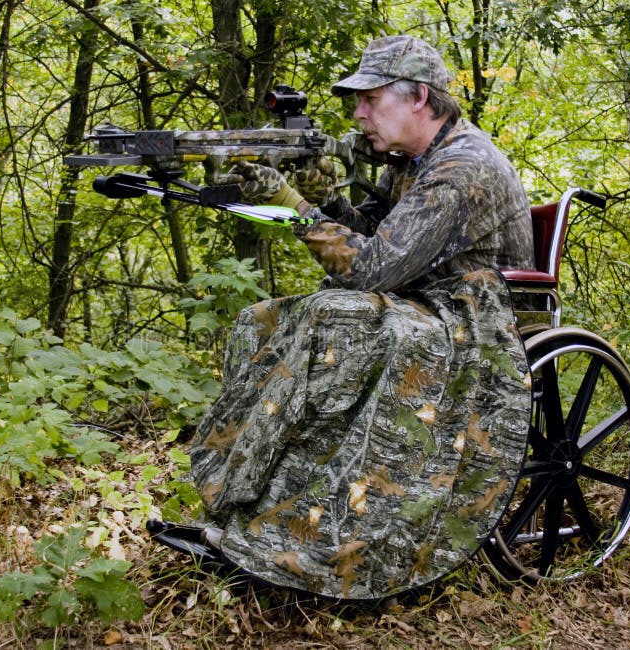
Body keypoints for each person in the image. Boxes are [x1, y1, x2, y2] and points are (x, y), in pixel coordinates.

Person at [185, 35, 535, 601]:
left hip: (475, 316)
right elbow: (376, 235)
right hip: (420, 298)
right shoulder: (414, 162)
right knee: (261, 319)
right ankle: (252, 495)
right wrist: (321, 197)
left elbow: (372, 269)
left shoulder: (461, 168)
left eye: (370, 99)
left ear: (419, 96)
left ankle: (329, 532)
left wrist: (295, 209)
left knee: (333, 312)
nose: (358, 113)